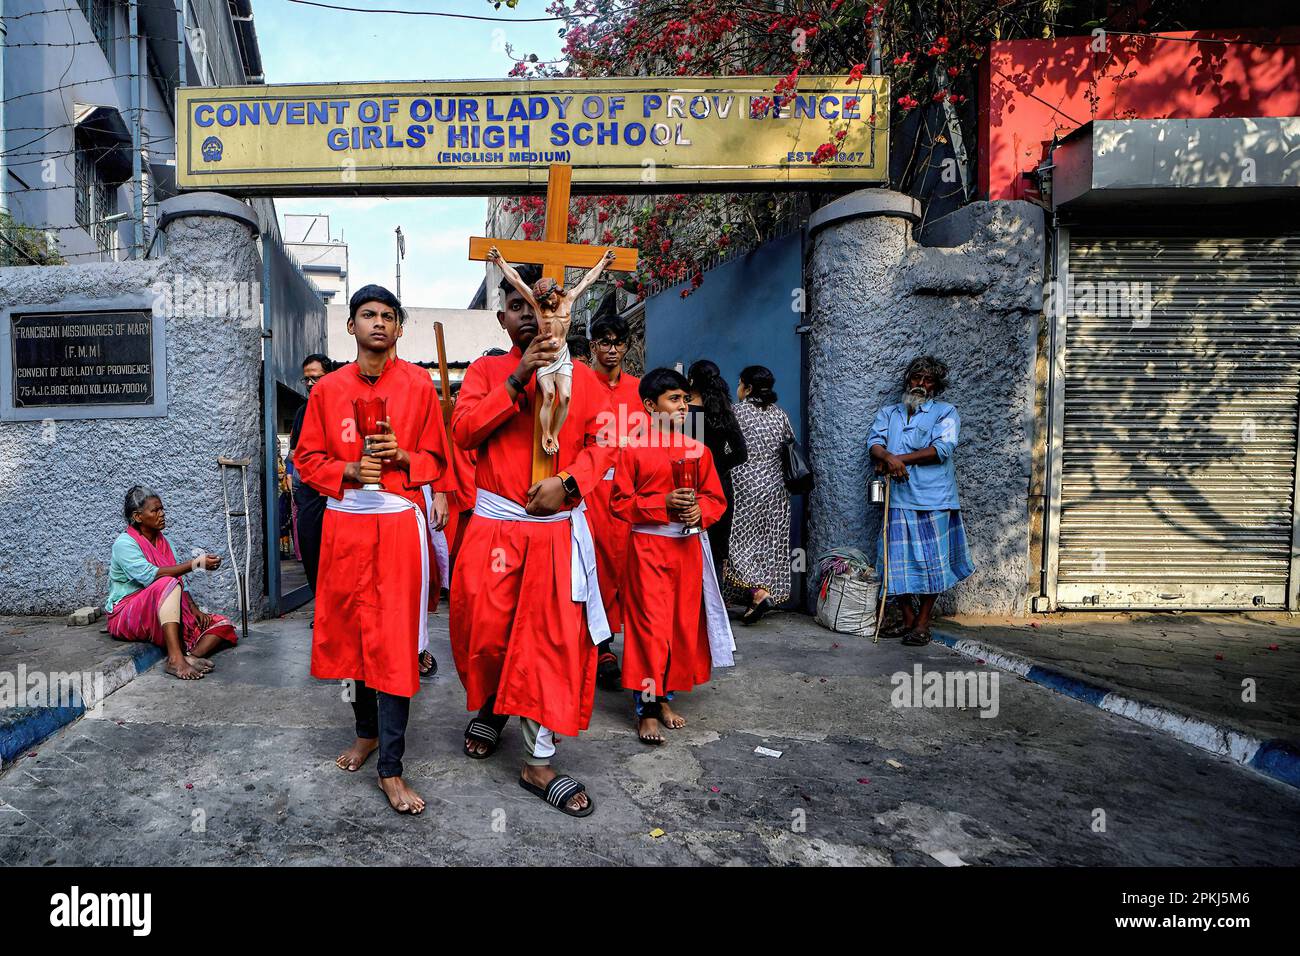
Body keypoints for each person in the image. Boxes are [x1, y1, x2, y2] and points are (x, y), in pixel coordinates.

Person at [451, 265, 616, 818]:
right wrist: (519, 377)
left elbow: (603, 446)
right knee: (489, 637)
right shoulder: (485, 371)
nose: (535, 315)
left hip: (555, 535)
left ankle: (538, 761)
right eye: (521, 306)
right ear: (503, 318)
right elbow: (465, 431)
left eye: (546, 305)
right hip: (496, 530)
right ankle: (495, 706)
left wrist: (568, 484)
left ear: (566, 313)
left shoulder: (589, 382)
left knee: (547, 646)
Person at [295, 284, 449, 816]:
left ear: (399, 327)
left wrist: (403, 455)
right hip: (346, 527)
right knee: (354, 636)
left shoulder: (419, 387)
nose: (378, 323)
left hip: (397, 527)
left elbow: (438, 459)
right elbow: (306, 459)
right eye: (368, 314)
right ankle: (365, 734)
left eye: (388, 315)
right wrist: (348, 470)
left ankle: (392, 766)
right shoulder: (328, 390)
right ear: (351, 325)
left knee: (395, 642)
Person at [612, 368, 734, 744]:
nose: (683, 406)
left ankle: (664, 697)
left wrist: (702, 511)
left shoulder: (699, 451)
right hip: (648, 548)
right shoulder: (632, 449)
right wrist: (659, 503)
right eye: (674, 399)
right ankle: (646, 709)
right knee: (650, 628)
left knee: (680, 627)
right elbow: (619, 503)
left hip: (687, 549)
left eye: (685, 399)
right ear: (650, 405)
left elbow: (716, 499)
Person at [868, 355, 974, 646]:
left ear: (936, 386)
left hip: (934, 498)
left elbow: (942, 449)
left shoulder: (945, 412)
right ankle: (907, 617)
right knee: (895, 562)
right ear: (908, 380)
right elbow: (873, 443)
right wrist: (886, 457)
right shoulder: (890, 413)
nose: (921, 384)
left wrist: (896, 459)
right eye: (917, 378)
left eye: (928, 380)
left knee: (932, 564)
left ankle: (923, 622)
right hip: (898, 498)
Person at [105, 486, 237, 680]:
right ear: (138, 516)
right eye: (155, 510)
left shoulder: (164, 542)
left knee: (221, 624)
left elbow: (178, 580)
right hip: (127, 613)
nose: (162, 514)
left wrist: (193, 608)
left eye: (162, 509)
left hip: (161, 607)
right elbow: (153, 576)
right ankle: (175, 660)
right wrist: (197, 563)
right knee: (166, 581)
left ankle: (189, 657)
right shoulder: (124, 544)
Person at [584, 313, 647, 691]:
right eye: (604, 342)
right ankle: (599, 646)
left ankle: (625, 646)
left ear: (626, 347)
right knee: (593, 569)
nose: (611, 349)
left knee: (626, 569)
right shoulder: (578, 384)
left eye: (617, 342)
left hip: (628, 495)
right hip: (587, 492)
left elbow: (654, 439)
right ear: (592, 345)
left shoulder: (640, 391)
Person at [726, 365, 795, 625]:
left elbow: (726, 448)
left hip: (744, 488)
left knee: (737, 543)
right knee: (770, 544)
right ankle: (756, 596)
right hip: (777, 490)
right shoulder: (781, 415)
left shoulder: (736, 413)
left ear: (748, 387)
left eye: (740, 383)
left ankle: (757, 592)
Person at [686, 360, 748, 584]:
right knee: (716, 551)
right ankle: (716, 610)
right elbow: (742, 453)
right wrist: (716, 466)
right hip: (718, 487)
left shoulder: (680, 414)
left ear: (691, 380)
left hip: (684, 485)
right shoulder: (723, 413)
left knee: (685, 547)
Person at [288, 354, 331, 592]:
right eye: (307, 379)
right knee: (310, 548)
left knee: (335, 555)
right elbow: (295, 452)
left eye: (317, 378)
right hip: (308, 489)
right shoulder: (302, 412)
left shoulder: (338, 406)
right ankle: (321, 607)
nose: (311, 384)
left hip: (335, 490)